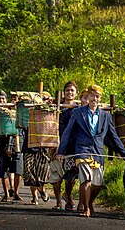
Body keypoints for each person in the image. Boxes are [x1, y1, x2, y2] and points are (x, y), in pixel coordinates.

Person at [56, 85, 125, 217]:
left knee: (97, 183)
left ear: (100, 98)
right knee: (86, 180)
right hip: (82, 151)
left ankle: (90, 202)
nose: (94, 99)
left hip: (97, 152)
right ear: (88, 97)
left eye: (97, 96)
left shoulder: (106, 116)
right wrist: (61, 151)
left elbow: (113, 136)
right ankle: (86, 208)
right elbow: (68, 133)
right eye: (92, 96)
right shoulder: (78, 112)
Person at [49, 81, 79, 211]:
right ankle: (58, 202)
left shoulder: (79, 108)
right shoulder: (57, 107)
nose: (70, 92)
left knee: (71, 174)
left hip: (73, 145)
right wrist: (53, 145)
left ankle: (68, 195)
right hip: (57, 142)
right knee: (56, 175)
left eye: (72, 90)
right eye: (67, 90)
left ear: (76, 93)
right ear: (64, 92)